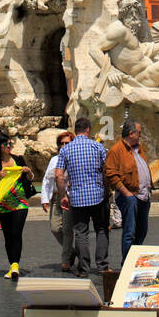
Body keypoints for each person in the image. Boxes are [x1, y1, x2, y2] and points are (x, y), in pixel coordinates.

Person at [56, 116, 109, 275]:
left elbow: (59, 175)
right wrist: (106, 190)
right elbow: (106, 171)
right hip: (98, 195)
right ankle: (102, 266)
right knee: (101, 229)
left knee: (81, 233)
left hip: (78, 197)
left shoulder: (65, 149)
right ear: (88, 130)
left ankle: (84, 268)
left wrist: (63, 195)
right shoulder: (97, 147)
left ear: (75, 131)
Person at [0, 130, 34, 279]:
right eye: (6, 144)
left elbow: (30, 178)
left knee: (16, 233)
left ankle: (15, 265)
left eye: (10, 144)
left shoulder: (19, 160)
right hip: (4, 206)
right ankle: (12, 265)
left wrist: (28, 173)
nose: (9, 146)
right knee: (8, 237)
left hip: (20, 204)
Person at [105, 121, 152, 263]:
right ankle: (127, 262)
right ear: (131, 134)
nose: (140, 135)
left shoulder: (139, 149)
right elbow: (111, 174)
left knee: (142, 230)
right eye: (139, 132)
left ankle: (135, 260)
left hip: (144, 196)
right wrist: (126, 193)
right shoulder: (117, 150)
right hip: (130, 196)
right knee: (129, 232)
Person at [42, 130, 78, 272]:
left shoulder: (76, 158)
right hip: (57, 197)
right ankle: (71, 251)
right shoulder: (54, 160)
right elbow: (47, 179)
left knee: (67, 229)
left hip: (69, 196)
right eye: (61, 143)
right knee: (55, 228)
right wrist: (45, 199)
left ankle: (65, 261)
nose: (63, 146)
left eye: (67, 143)